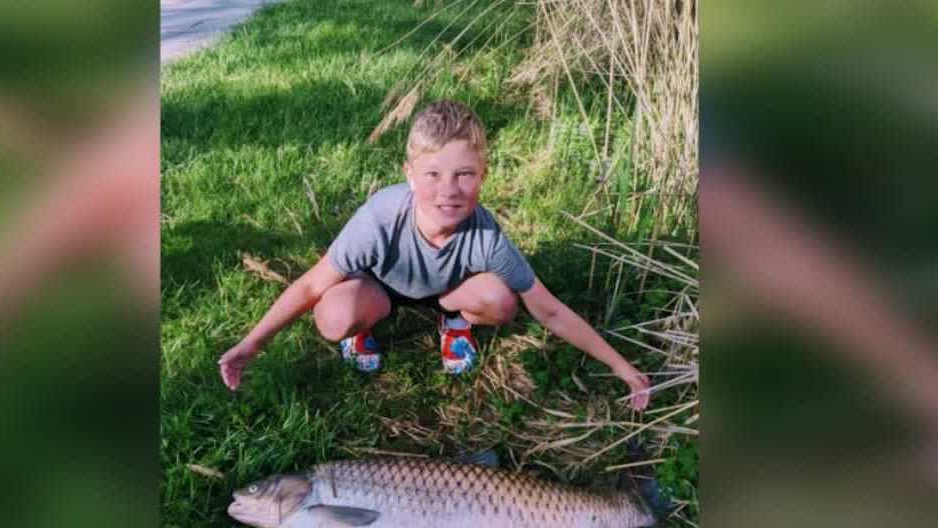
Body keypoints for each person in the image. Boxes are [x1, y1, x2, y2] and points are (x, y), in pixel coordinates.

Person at [218, 100, 651, 410]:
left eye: (465, 174)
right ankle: (362, 329)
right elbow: (313, 282)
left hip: (449, 290)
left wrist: (620, 366)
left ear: (484, 174)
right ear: (409, 175)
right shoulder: (379, 218)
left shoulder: (487, 237)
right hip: (381, 289)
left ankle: (454, 321)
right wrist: (251, 344)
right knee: (332, 316)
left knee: (502, 301)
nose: (448, 189)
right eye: (433, 174)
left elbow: (550, 311)